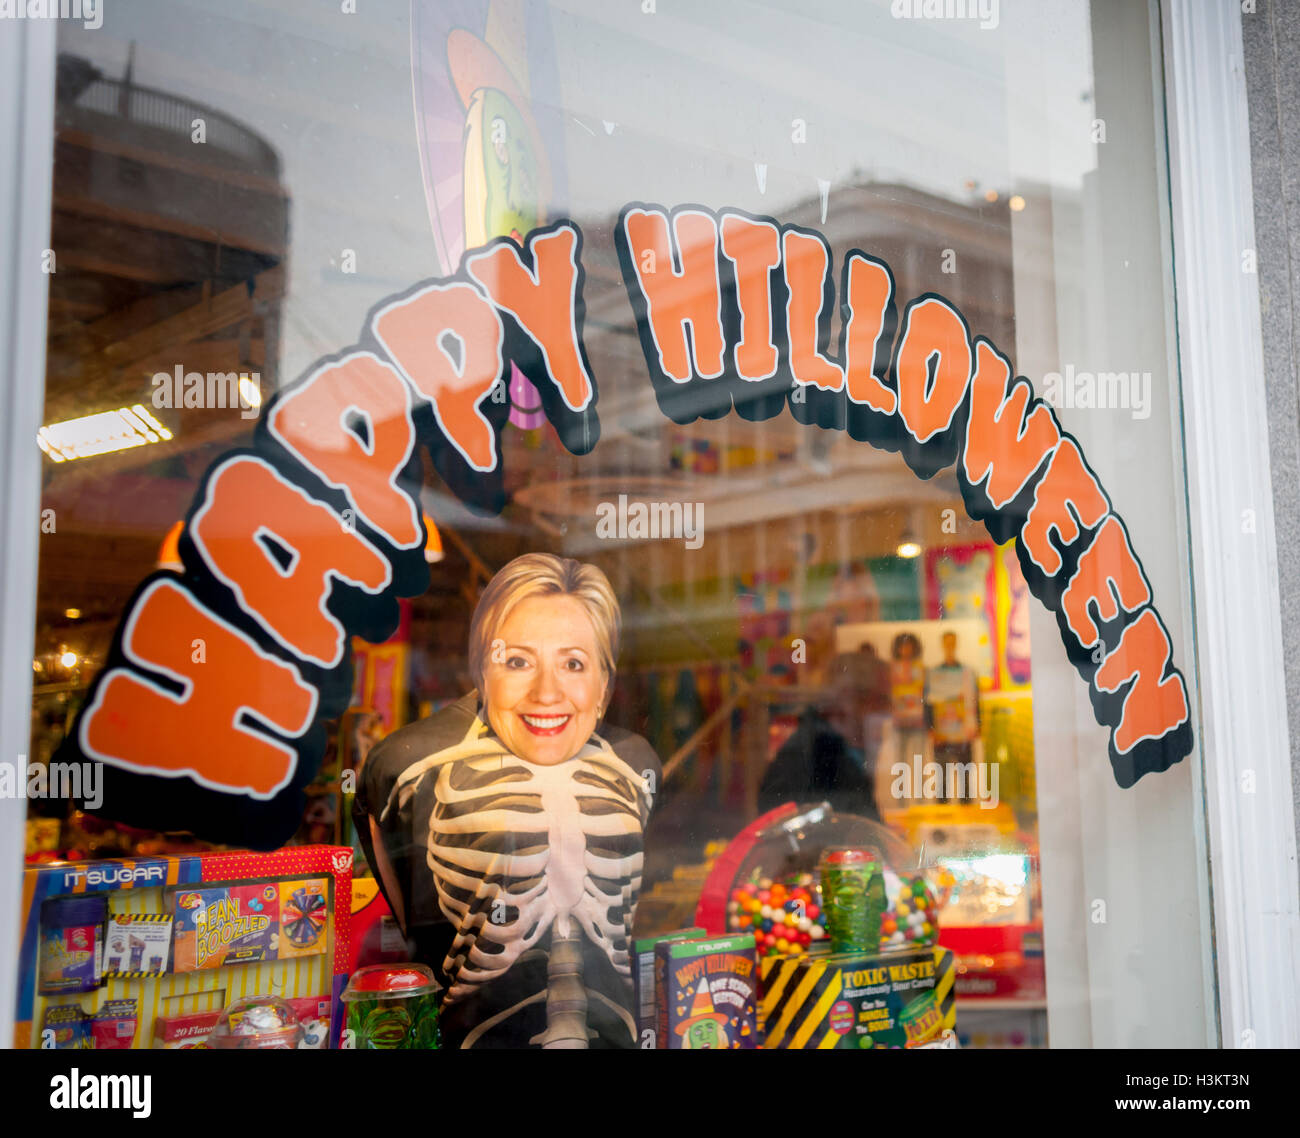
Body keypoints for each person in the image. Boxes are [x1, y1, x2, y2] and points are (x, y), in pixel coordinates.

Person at [354, 553, 660, 1049]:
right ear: (481, 670)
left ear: (604, 685)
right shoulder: (402, 770)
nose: (546, 692)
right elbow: (414, 924)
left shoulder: (636, 767)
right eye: (517, 661)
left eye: (573, 663)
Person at [758, 653, 882, 821]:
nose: (887, 712)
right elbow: (853, 826)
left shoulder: (835, 748)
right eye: (881, 701)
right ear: (851, 698)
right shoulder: (823, 755)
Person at [925, 629, 981, 802]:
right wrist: (931, 728)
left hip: (963, 733)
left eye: (952, 642)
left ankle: (966, 818)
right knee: (942, 781)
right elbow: (927, 704)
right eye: (947, 643)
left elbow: (975, 700)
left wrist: (978, 724)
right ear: (943, 645)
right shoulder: (933, 674)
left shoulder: (968, 673)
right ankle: (943, 820)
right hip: (942, 734)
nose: (950, 646)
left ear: (956, 644)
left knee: (965, 780)